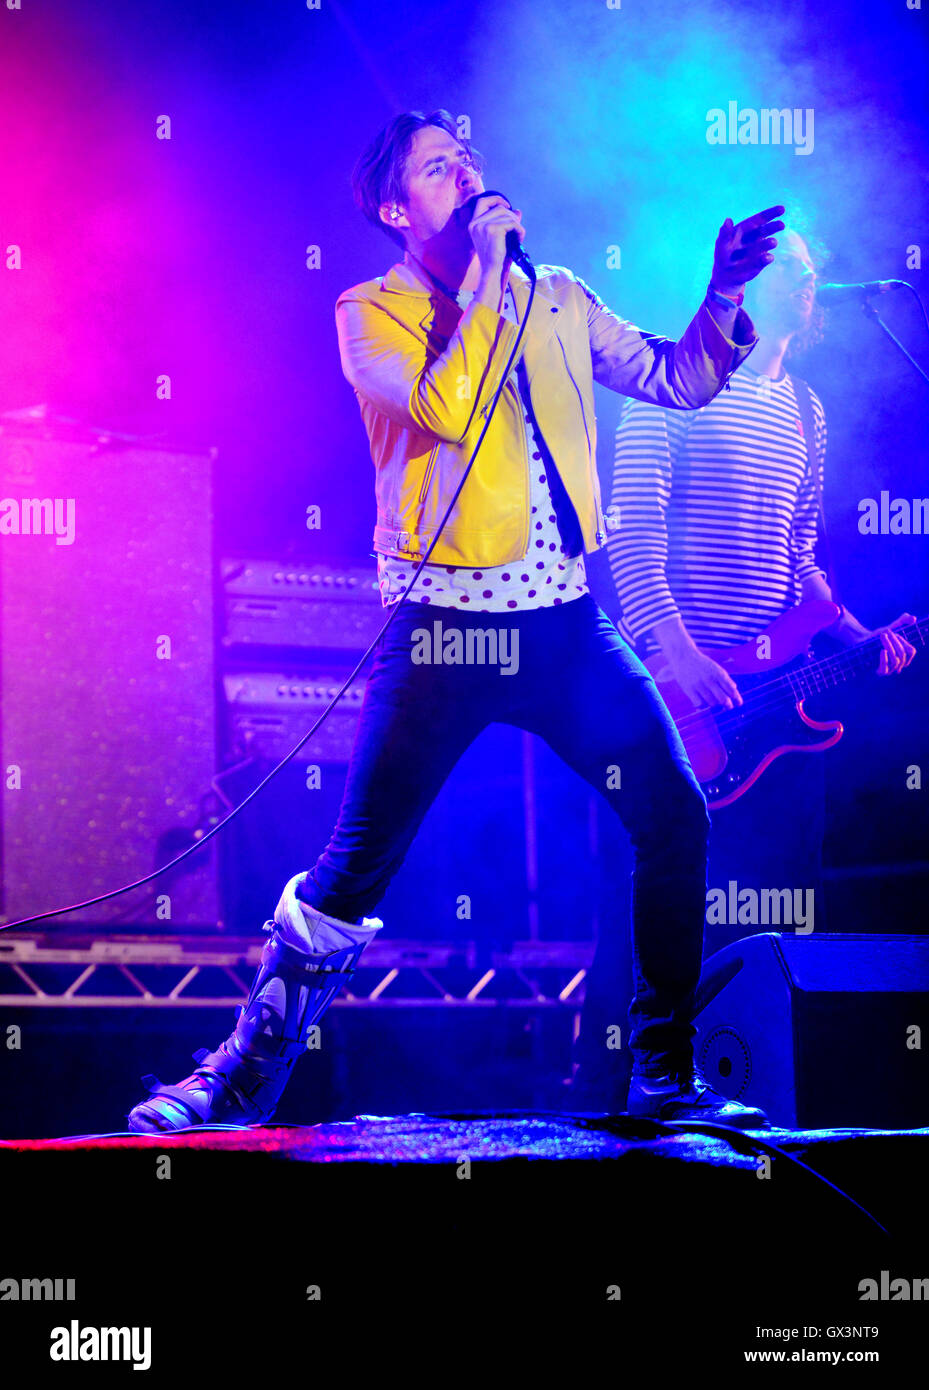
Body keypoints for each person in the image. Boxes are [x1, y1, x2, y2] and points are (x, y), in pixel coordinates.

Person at [127, 107, 786, 1135]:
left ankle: (661, 1072)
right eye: (441, 168)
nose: (468, 174)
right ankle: (233, 1081)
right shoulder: (370, 311)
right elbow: (441, 407)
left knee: (671, 811)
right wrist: (483, 283)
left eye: (469, 157)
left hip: (566, 629)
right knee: (351, 870)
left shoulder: (558, 297)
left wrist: (722, 294)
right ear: (397, 209)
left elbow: (677, 378)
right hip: (441, 633)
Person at [572, 225, 916, 1108]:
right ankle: (603, 1108)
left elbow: (799, 559)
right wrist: (675, 652)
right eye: (787, 267)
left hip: (775, 717)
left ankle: (755, 1110)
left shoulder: (806, 411)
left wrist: (854, 637)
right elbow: (630, 535)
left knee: (773, 918)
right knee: (650, 915)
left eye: (809, 268)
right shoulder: (667, 392)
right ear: (743, 281)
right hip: (678, 699)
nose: (806, 279)